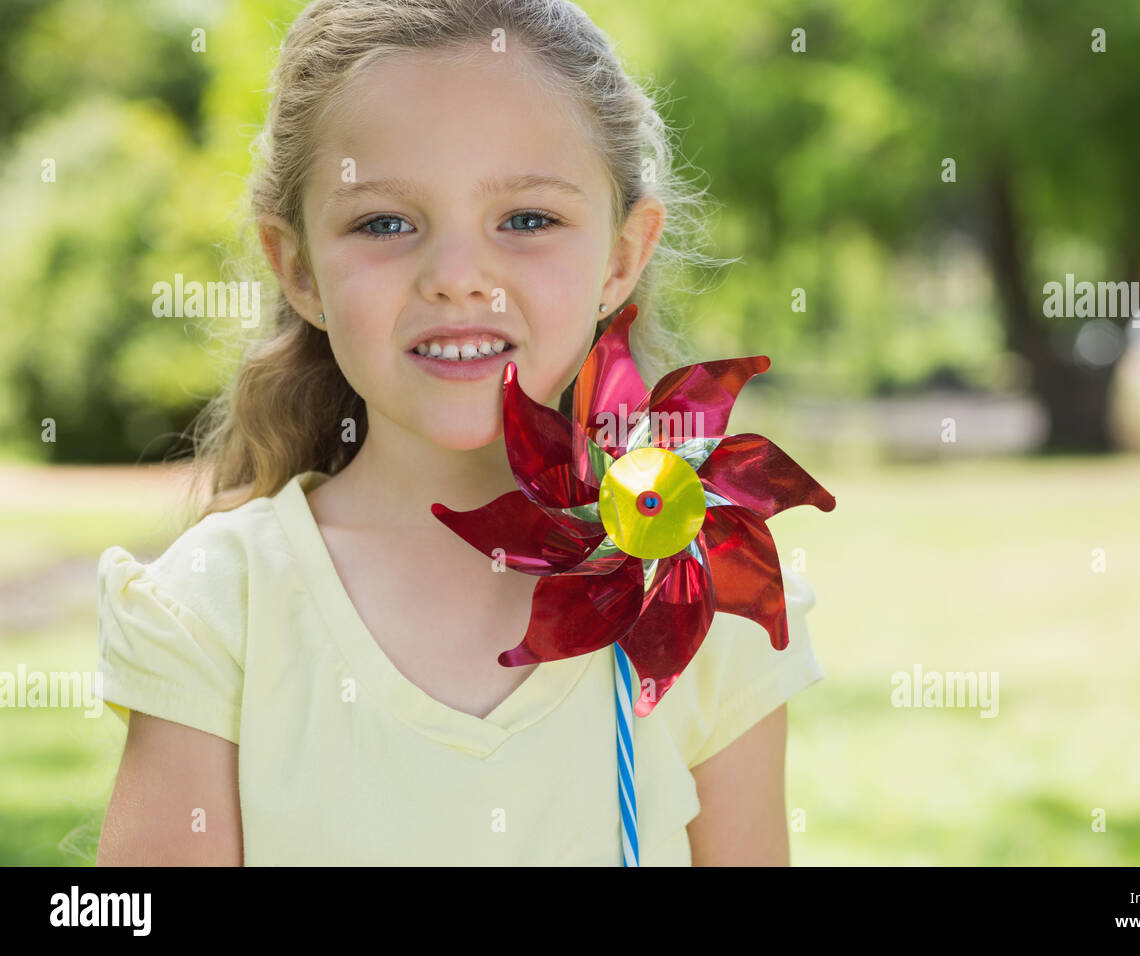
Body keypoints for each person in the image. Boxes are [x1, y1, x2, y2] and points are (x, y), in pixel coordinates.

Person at [96, 0, 825, 866]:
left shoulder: (702, 596)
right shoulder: (222, 609)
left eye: (526, 219)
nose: (456, 278)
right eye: (385, 222)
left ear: (623, 258)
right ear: (299, 268)